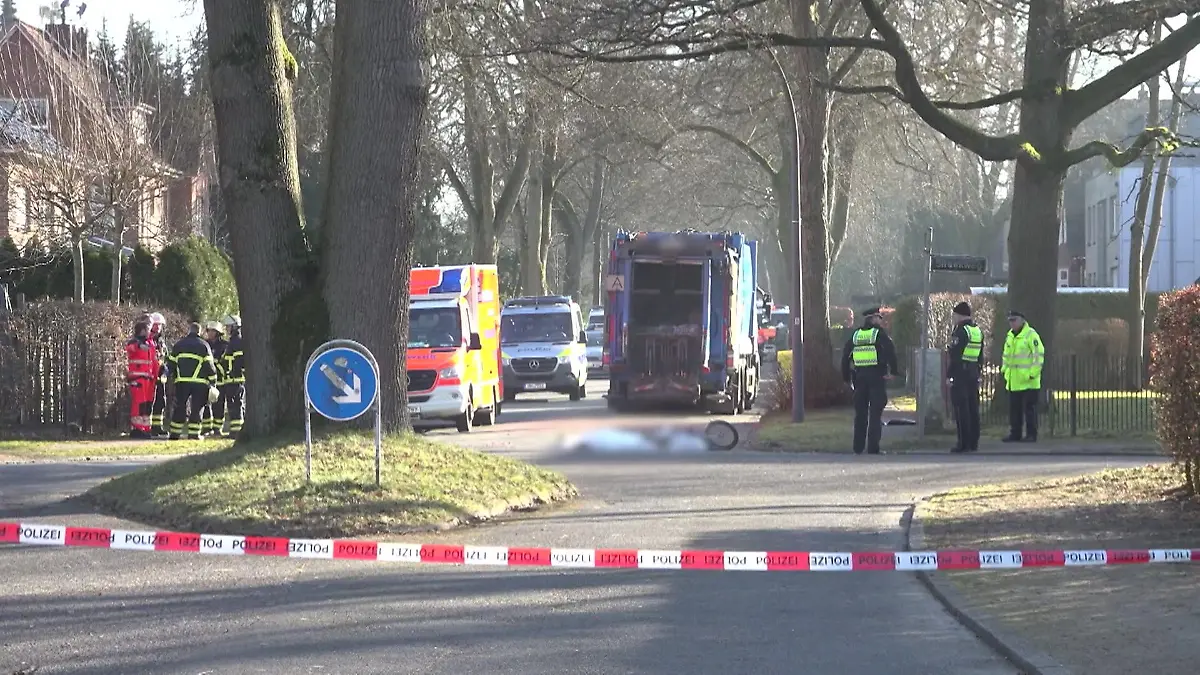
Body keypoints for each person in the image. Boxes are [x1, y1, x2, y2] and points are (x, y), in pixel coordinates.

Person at [841, 307, 898, 455]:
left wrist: (846, 378)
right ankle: (873, 448)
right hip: (877, 378)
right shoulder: (879, 334)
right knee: (875, 413)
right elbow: (890, 350)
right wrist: (894, 372)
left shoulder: (856, 335)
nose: (881, 320)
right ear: (873, 319)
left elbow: (845, 356)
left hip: (859, 378)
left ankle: (858, 447)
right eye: (879, 318)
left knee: (860, 414)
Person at [167, 322, 218, 440]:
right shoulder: (204, 345)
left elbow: (171, 364)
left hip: (181, 382)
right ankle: (194, 434)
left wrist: (168, 376)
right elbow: (209, 366)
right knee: (197, 408)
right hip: (199, 383)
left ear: (189, 331)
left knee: (179, 407)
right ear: (199, 332)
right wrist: (213, 382)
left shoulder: (179, 345)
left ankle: (174, 433)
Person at [1002, 310, 1044, 443]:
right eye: (1010, 320)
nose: (1011, 323)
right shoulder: (1010, 336)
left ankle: (1031, 434)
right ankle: (1016, 433)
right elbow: (1006, 356)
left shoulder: (1031, 335)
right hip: (1014, 380)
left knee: (1029, 410)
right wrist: (1005, 370)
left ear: (1022, 320)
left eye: (1014, 320)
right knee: (1015, 410)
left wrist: (1033, 374)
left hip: (1028, 381)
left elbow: (1039, 355)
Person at [946, 301, 983, 453]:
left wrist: (949, 375)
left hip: (961, 374)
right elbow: (980, 355)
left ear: (959, 315)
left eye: (955, 315)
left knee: (962, 409)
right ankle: (973, 442)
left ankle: (963, 443)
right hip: (973, 372)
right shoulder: (976, 331)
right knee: (973, 408)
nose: (954, 318)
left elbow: (955, 356)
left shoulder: (960, 331)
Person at [125, 317, 157, 439]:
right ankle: (137, 428)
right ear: (142, 330)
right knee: (139, 404)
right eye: (148, 329)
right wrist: (139, 345)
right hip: (138, 378)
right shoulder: (134, 342)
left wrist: (157, 374)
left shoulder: (150, 344)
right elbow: (130, 349)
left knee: (147, 404)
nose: (150, 331)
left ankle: (145, 427)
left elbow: (154, 362)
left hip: (148, 379)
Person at [201, 321, 230, 437]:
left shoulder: (224, 345)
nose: (209, 333)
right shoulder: (204, 344)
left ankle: (217, 428)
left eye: (212, 331)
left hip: (220, 380)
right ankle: (206, 427)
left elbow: (225, 362)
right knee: (206, 404)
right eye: (208, 331)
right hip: (206, 380)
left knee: (219, 405)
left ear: (218, 333)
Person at [221, 314, 246, 437]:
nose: (226, 329)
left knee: (236, 404)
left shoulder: (237, 342)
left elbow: (239, 360)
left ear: (235, 327)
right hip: (231, 379)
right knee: (232, 405)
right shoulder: (233, 342)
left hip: (236, 379)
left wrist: (233, 372)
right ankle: (235, 430)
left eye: (228, 327)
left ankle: (236, 432)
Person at [148, 312, 170, 437]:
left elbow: (164, 358)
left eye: (160, 326)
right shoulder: (149, 340)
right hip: (150, 375)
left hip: (160, 375)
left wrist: (165, 371)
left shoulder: (161, 341)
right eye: (156, 325)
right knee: (151, 401)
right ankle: (149, 426)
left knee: (161, 401)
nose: (158, 328)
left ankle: (157, 426)